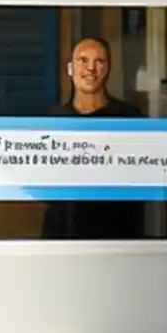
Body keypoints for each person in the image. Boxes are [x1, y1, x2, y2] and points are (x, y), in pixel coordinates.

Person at [41, 36, 146, 239]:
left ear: (108, 69)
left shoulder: (128, 118)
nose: (91, 69)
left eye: (99, 61)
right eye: (83, 60)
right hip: (62, 231)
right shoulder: (54, 120)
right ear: (70, 68)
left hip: (118, 232)